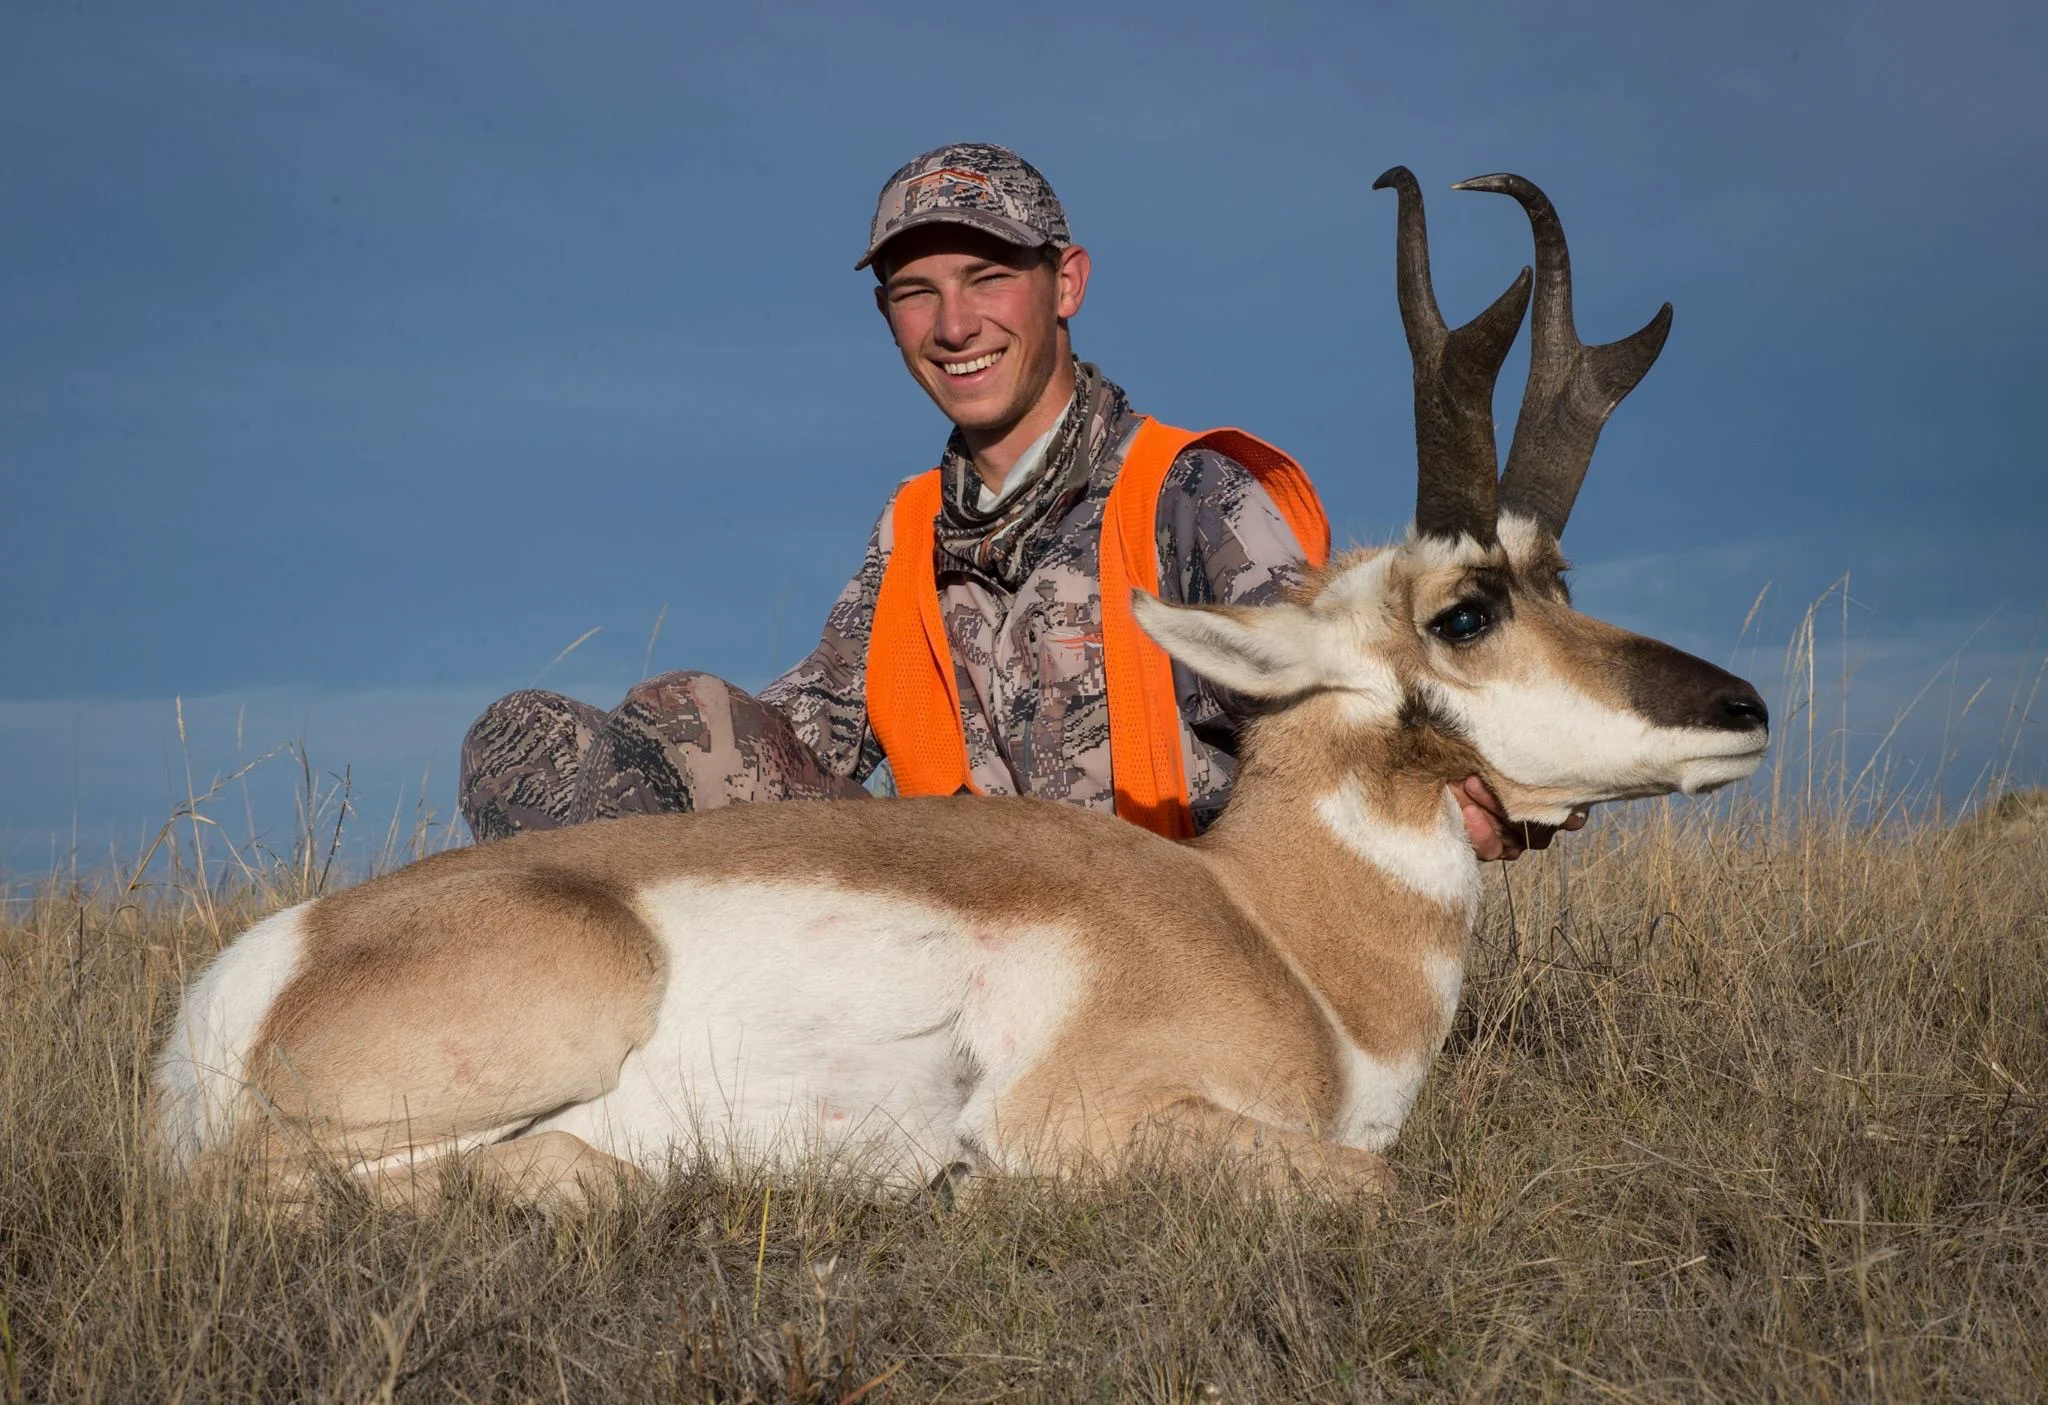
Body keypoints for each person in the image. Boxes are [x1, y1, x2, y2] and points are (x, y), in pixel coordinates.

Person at [459, 142, 1576, 859]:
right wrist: (639, 752)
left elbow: (1336, 712)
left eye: (988, 278)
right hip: (964, 922)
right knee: (599, 727)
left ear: (1067, 283)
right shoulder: (910, 534)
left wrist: (1466, 784)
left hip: (1168, 946)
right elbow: (796, 737)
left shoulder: (1192, 494)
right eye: (915, 293)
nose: (953, 326)